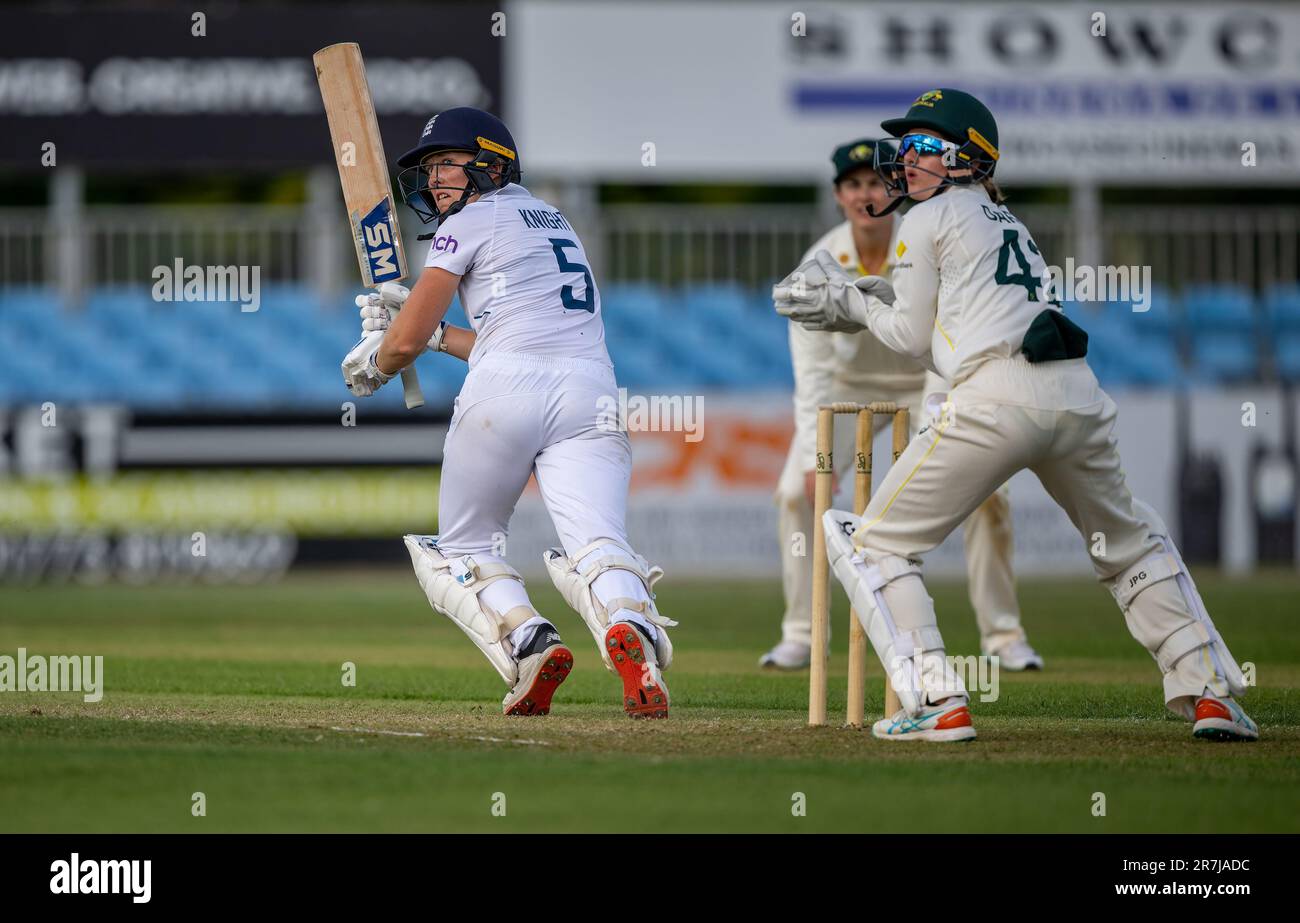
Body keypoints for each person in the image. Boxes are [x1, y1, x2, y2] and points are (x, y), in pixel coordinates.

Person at [774, 88, 1257, 743]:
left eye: (921, 147)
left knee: (876, 544)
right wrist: (863, 295)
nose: (904, 160)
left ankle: (936, 698)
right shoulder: (1007, 222)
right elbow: (951, 307)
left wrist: (847, 304)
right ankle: (1212, 693)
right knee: (1130, 543)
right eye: (905, 147)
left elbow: (912, 340)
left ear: (965, 160)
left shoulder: (925, 218)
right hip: (1077, 396)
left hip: (994, 399)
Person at [341, 107, 675, 719]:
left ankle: (529, 640)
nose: (435, 181)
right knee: (600, 543)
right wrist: (439, 335)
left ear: (491, 165)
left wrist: (377, 362)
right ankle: (635, 636)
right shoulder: (557, 221)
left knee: (461, 549)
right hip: (591, 392)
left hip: (503, 393)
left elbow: (403, 342)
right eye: (431, 169)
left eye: (447, 165)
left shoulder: (467, 221)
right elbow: (506, 332)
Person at [764, 137, 1043, 673]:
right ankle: (800, 632)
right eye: (853, 185)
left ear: (890, 186)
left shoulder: (927, 239)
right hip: (848, 389)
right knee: (793, 495)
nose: (865, 194)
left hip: (924, 381)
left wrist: (939, 413)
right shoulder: (820, 260)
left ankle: (1004, 635)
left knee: (991, 495)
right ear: (839, 195)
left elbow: (942, 337)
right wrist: (810, 459)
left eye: (874, 182)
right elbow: (814, 370)